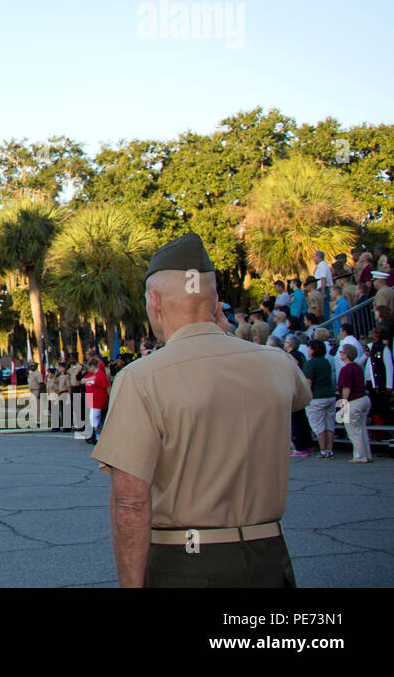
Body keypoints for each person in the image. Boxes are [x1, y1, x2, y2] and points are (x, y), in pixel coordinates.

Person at [92, 232, 311, 588]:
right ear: (216, 303)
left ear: (154, 301)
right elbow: (301, 397)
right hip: (270, 557)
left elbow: (130, 504)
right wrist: (224, 337)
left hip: (187, 561)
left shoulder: (142, 377)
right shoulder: (277, 362)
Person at [336, 344, 372, 464]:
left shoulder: (346, 369)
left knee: (353, 431)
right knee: (361, 428)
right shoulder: (357, 367)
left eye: (341, 352)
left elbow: (346, 388)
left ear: (346, 355)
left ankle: (359, 456)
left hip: (353, 401)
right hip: (364, 399)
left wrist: (343, 405)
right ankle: (367, 454)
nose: (339, 353)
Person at [302, 340, 337, 459]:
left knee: (318, 425)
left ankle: (322, 450)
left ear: (312, 350)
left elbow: (308, 382)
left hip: (317, 397)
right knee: (330, 424)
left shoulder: (310, 364)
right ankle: (329, 449)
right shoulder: (326, 362)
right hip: (330, 395)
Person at [84, 356, 110, 444]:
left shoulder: (101, 374)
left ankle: (98, 436)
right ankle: (96, 436)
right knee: (94, 419)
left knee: (94, 419)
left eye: (89, 367)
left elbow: (107, 387)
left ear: (93, 366)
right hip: (93, 399)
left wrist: (109, 398)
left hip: (98, 400)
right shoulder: (93, 375)